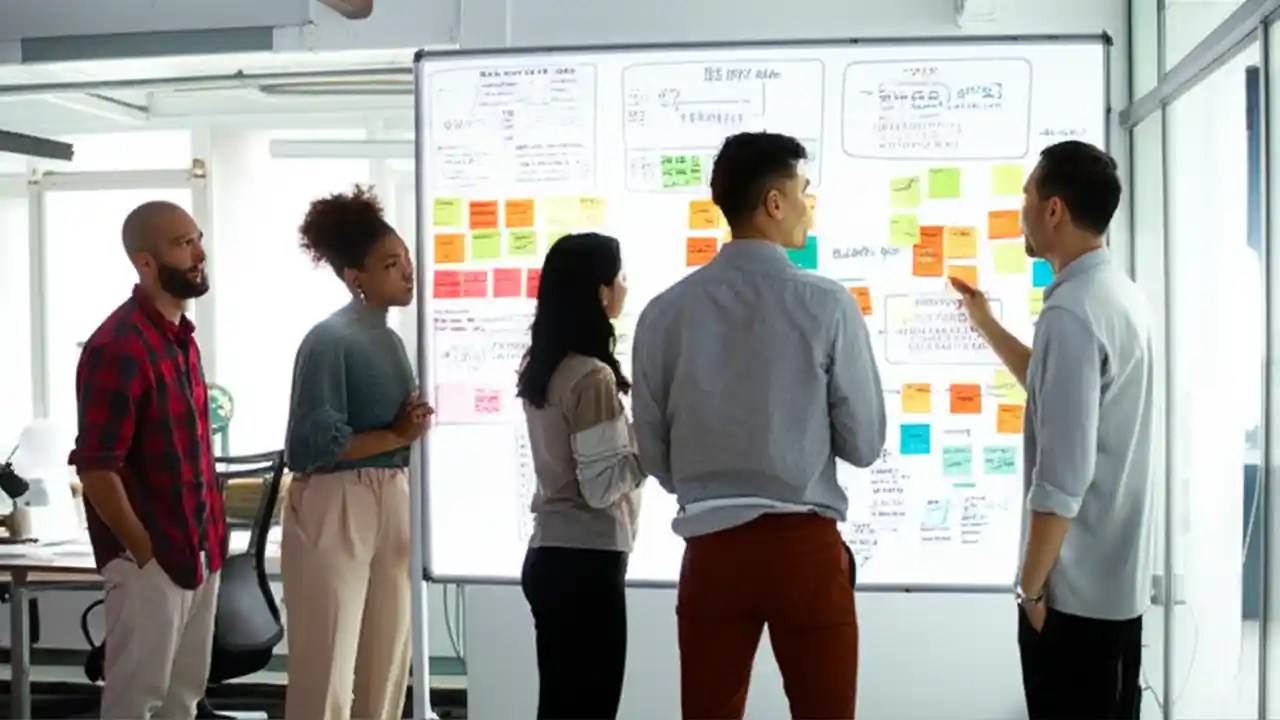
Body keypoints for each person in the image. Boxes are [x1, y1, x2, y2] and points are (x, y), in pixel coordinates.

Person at [631, 131, 886, 720]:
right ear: (774, 202)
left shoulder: (665, 311)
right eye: (804, 191)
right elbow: (865, 444)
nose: (808, 204)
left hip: (712, 549)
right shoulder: (826, 304)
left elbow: (655, 453)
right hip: (805, 550)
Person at [949, 140, 1155, 720]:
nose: (1023, 210)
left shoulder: (1072, 314)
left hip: (1074, 599)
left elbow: (1063, 475)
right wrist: (987, 324)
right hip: (1115, 589)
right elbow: (1053, 392)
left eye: (1027, 196)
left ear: (1054, 210)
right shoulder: (1117, 295)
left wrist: (1032, 588)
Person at [69, 200, 225, 719]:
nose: (199, 253)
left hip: (198, 552)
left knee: (183, 700)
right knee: (135, 703)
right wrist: (142, 550)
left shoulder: (181, 340)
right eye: (183, 244)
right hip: (152, 562)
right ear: (145, 262)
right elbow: (96, 467)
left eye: (197, 238)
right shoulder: (118, 346)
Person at [282, 185, 431, 720]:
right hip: (337, 499)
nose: (407, 272)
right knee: (328, 658)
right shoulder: (330, 340)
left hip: (390, 495)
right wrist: (396, 435)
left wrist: (401, 436)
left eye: (406, 259)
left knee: (388, 657)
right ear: (356, 278)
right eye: (392, 264)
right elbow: (309, 447)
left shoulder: (388, 340)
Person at [515, 232, 646, 720]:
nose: (625, 287)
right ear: (599, 293)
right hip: (587, 564)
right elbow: (602, 486)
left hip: (550, 556)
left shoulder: (546, 367)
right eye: (619, 277)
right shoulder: (593, 376)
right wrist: (652, 446)